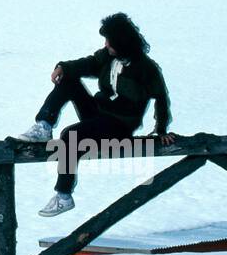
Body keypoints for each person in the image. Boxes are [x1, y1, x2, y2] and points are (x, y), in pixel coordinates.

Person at [14, 13, 175, 217]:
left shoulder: (146, 69)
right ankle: (44, 125)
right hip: (98, 114)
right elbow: (88, 64)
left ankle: (64, 195)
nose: (106, 44)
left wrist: (161, 130)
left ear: (122, 43)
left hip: (119, 127)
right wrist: (63, 67)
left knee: (71, 135)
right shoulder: (107, 56)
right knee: (68, 80)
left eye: (109, 41)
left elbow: (161, 97)